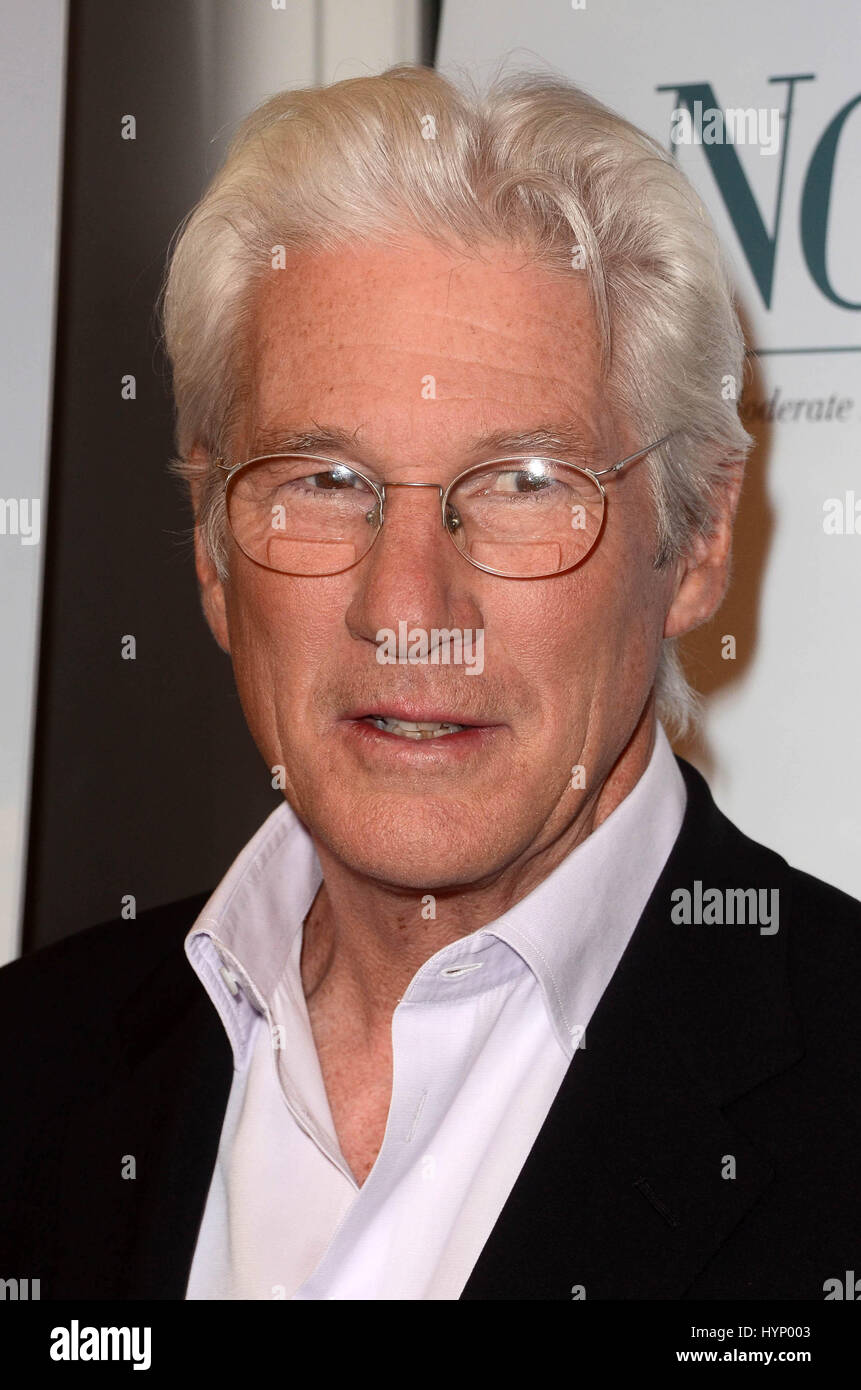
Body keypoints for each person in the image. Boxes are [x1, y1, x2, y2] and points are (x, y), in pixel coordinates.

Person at [2, 64, 859, 1301]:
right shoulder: (29, 1068)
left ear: (697, 542)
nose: (408, 613)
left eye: (522, 485)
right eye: (322, 480)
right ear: (207, 546)